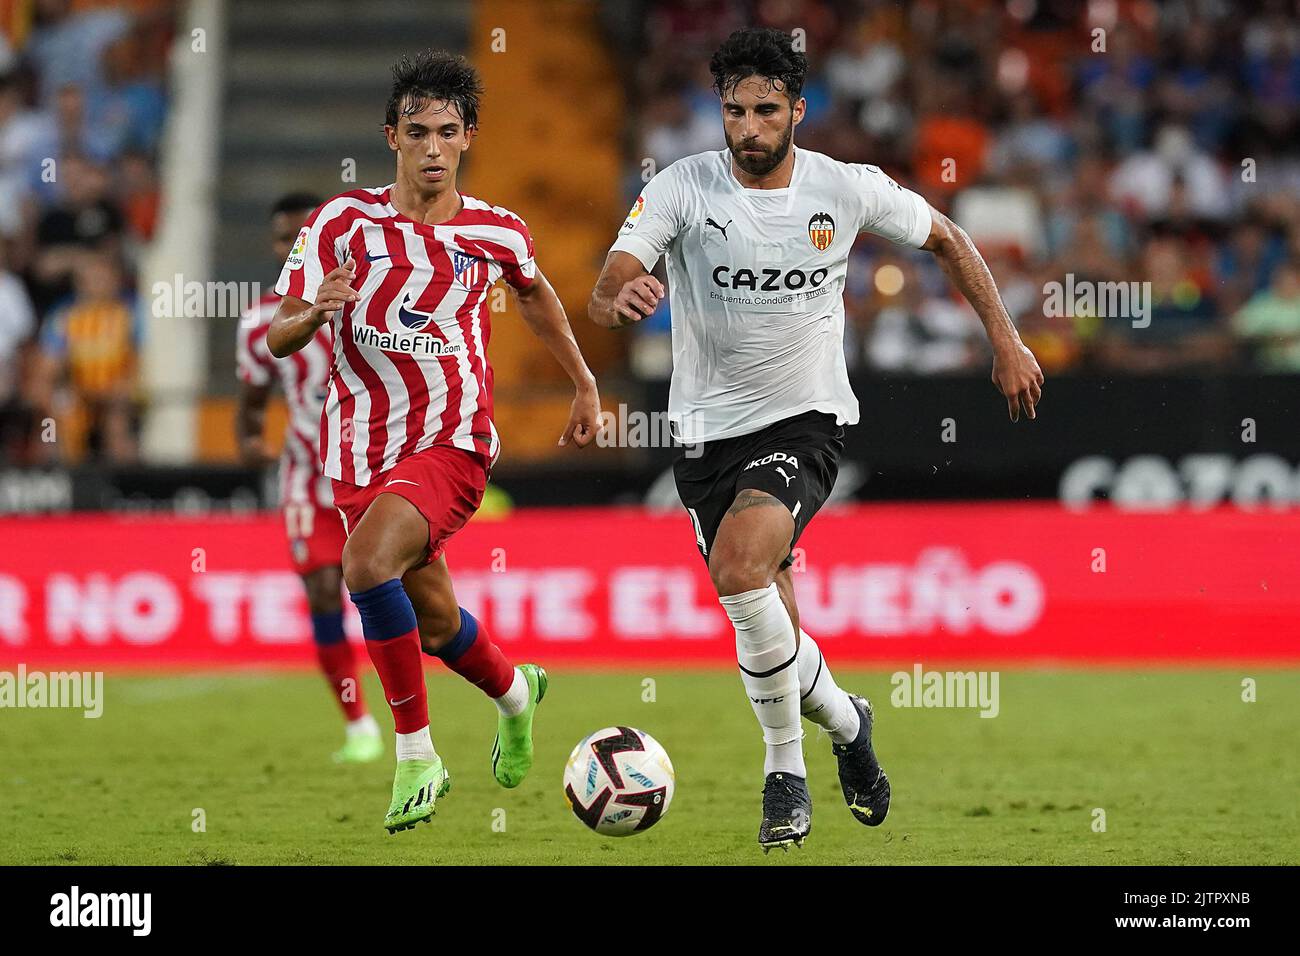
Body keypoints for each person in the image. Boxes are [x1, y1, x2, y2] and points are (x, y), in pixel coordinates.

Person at [589, 27, 1044, 852]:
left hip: (805, 421)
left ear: (798, 109)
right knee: (767, 626)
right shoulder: (682, 188)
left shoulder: (846, 187)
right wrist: (621, 295)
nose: (750, 128)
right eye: (735, 111)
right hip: (704, 434)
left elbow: (948, 236)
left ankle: (783, 778)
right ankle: (848, 722)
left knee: (739, 568)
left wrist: (1005, 341)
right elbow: (611, 279)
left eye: (767, 110)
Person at [266, 51, 601, 833]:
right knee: (441, 626)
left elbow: (539, 296)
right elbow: (280, 335)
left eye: (447, 132)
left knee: (363, 565)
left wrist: (583, 382)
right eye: (416, 131)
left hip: (452, 441)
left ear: (468, 139)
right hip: (357, 454)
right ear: (391, 137)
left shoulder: (496, 230)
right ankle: (517, 697)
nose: (432, 148)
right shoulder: (340, 223)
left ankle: (415, 752)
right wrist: (314, 314)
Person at [236, 192, 382, 765]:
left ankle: (414, 714)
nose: (292, 244)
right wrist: (249, 441)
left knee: (396, 593)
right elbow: (252, 402)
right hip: (305, 477)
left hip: (373, 468)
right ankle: (359, 725)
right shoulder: (258, 324)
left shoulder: (376, 295)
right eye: (282, 236)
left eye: (302, 232)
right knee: (324, 592)